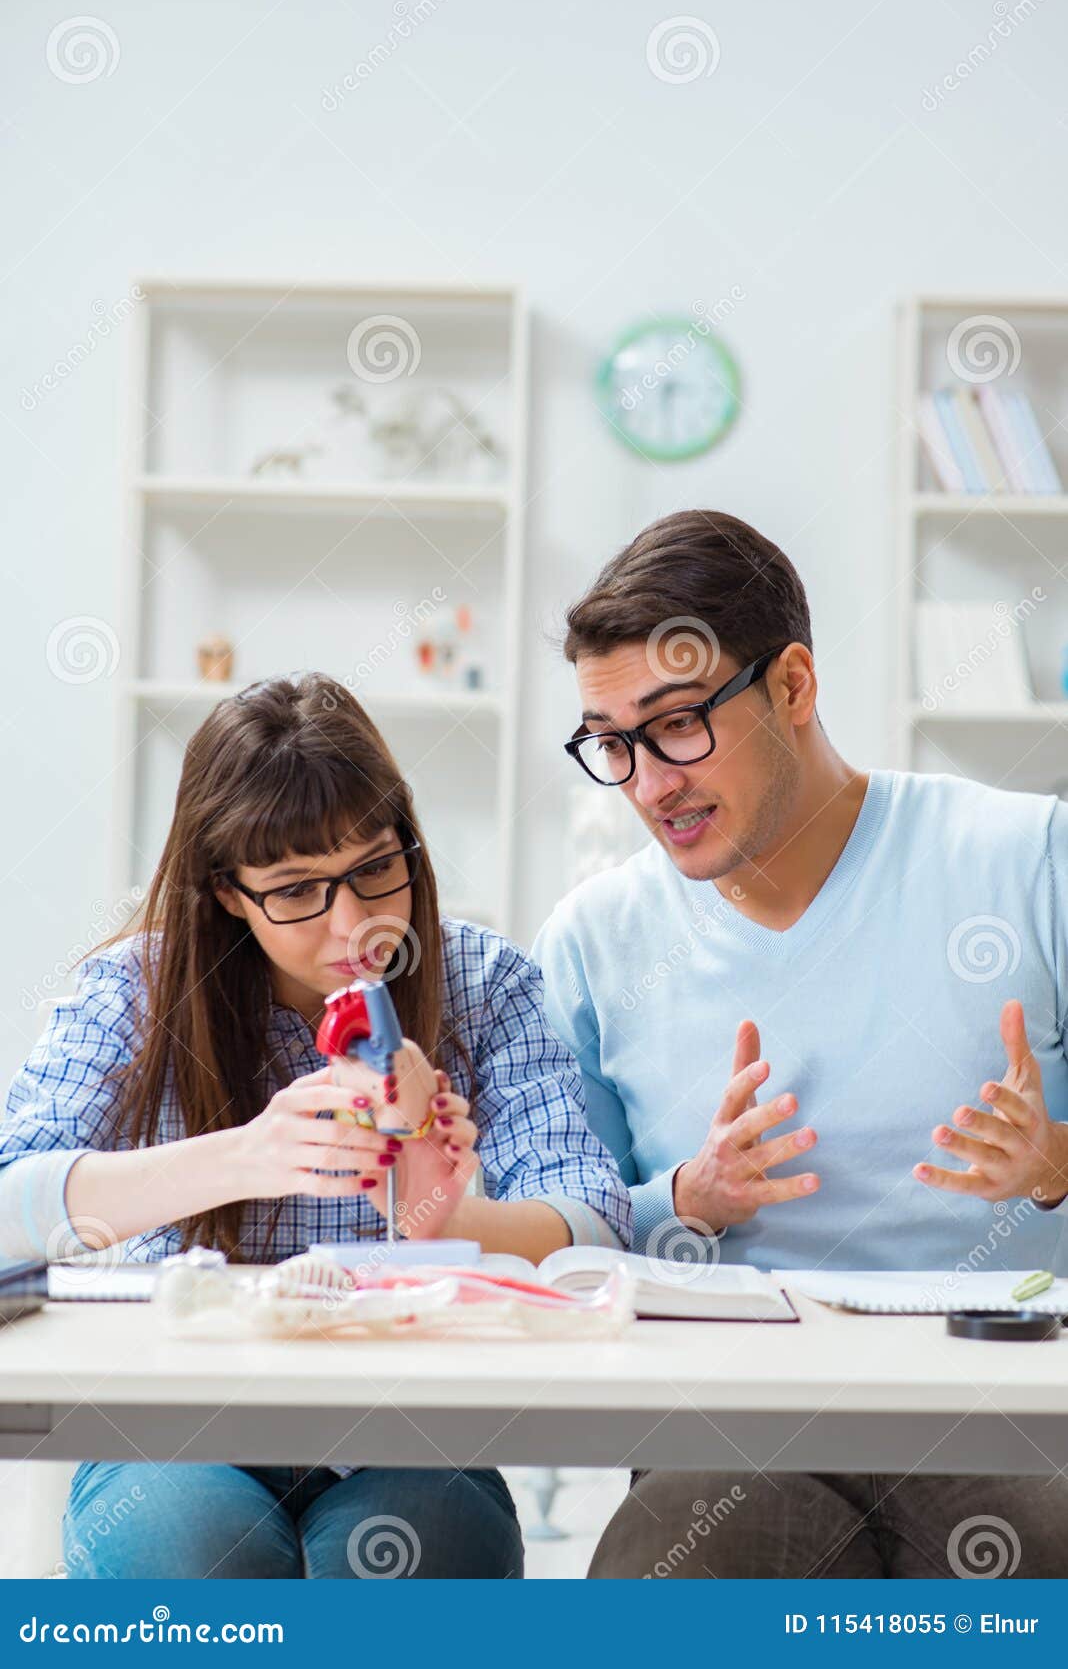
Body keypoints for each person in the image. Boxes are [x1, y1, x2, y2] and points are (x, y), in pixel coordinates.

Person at [532, 509, 1068, 1579]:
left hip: (1005, 1408)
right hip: (730, 1422)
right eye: (612, 742)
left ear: (793, 687)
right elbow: (556, 1236)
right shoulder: (594, 943)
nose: (649, 783)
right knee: (672, 1585)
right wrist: (684, 1194)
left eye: (678, 725)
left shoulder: (1027, 858)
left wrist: (1057, 1165)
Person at [2, 672, 632, 1579]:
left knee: (411, 1564)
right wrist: (245, 1156)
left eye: (377, 868)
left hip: (406, 1431)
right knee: (199, 1557)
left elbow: (594, 1224)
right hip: (179, 1422)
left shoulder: (484, 984)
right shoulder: (135, 993)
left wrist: (453, 1218)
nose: (353, 924)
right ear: (226, 890)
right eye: (295, 890)